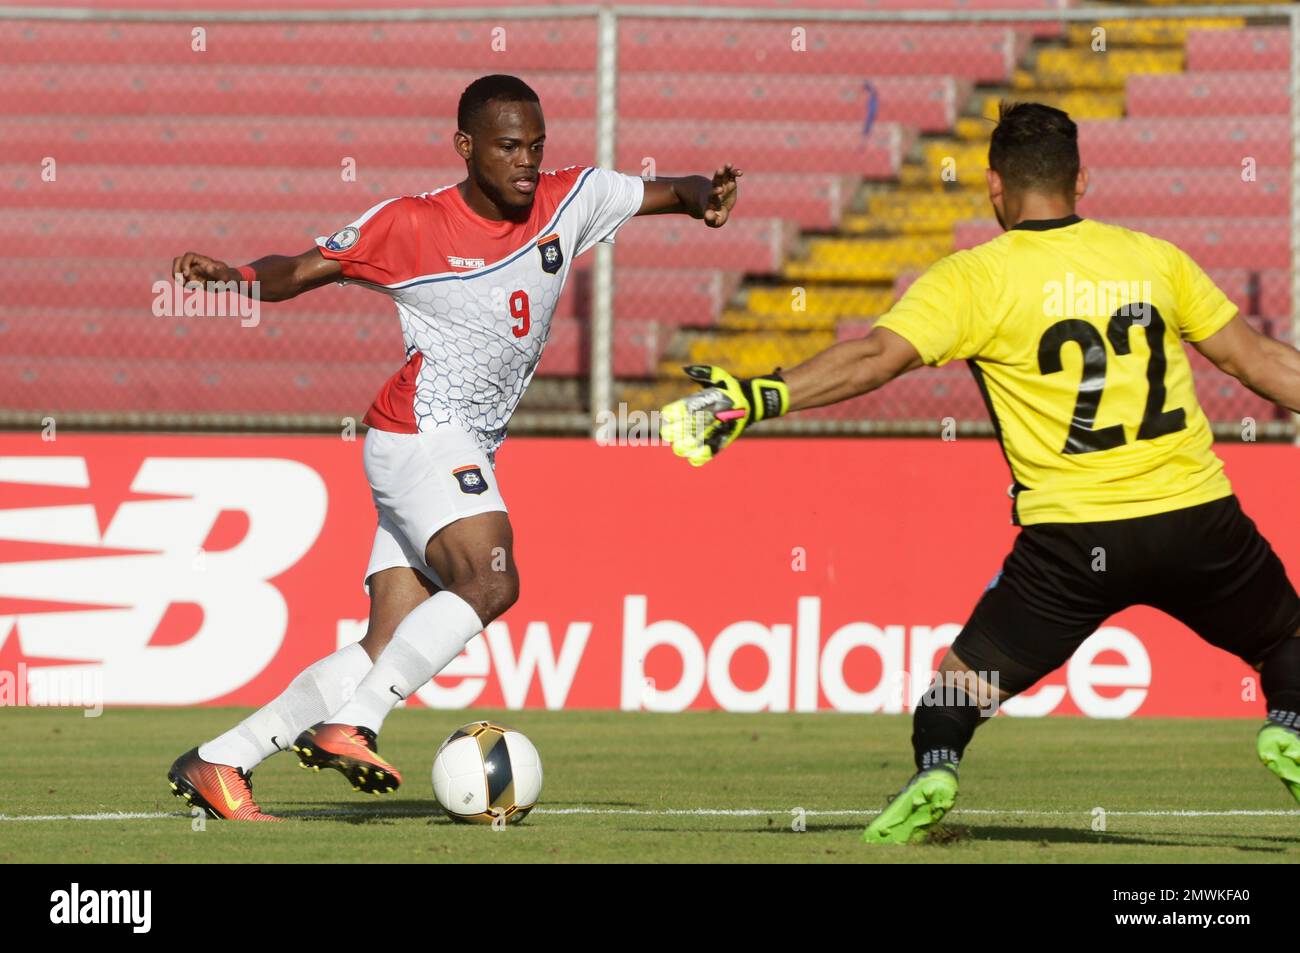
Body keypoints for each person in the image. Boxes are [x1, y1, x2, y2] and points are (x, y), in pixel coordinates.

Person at [659, 102, 1300, 844]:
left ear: (993, 186)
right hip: (1194, 518)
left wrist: (760, 394)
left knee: (952, 692)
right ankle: (1286, 722)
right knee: (1287, 637)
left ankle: (937, 765)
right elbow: (1257, 360)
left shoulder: (974, 278)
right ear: (1081, 180)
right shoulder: (1155, 258)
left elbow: (875, 359)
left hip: (1069, 543)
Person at [167, 73, 742, 820]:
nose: (526, 163)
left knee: (383, 643)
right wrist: (237, 276)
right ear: (466, 147)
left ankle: (222, 759)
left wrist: (706, 197)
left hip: (453, 446)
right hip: (420, 434)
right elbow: (302, 271)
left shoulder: (573, 199)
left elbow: (669, 191)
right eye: (508, 148)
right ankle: (356, 722)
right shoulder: (410, 224)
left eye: (536, 147)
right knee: (494, 578)